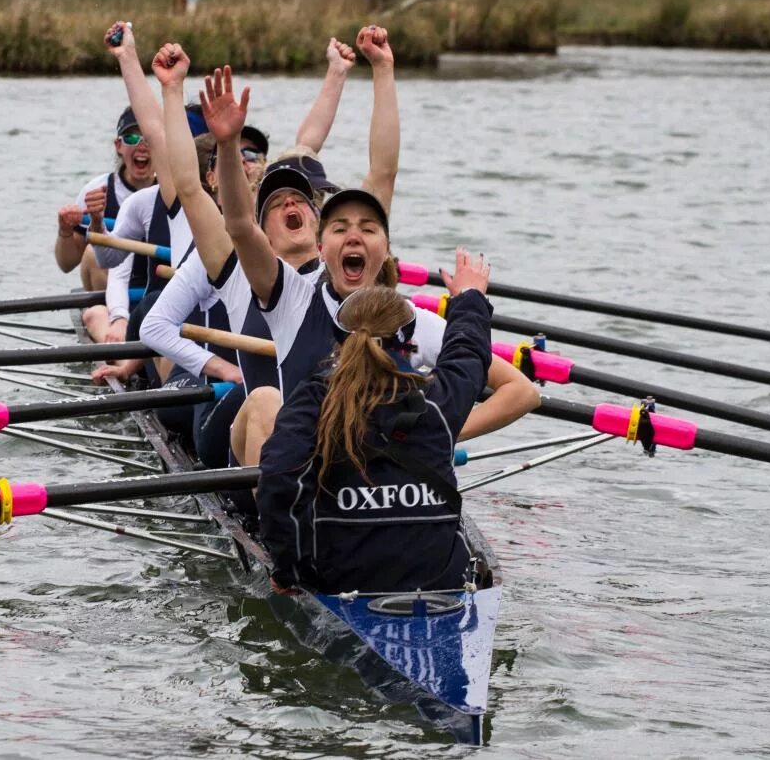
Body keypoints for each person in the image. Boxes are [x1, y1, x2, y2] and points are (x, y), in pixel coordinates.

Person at [205, 27, 541, 472]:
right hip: (304, 493)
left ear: (385, 249)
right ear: (322, 248)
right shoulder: (292, 297)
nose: (354, 236)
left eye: (367, 227)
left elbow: (524, 392)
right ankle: (275, 533)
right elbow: (241, 226)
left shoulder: (416, 322)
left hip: (379, 496)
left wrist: (437, 429)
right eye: (340, 227)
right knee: (265, 401)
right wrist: (227, 145)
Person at [137, 38, 355, 466]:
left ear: (320, 219)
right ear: (259, 227)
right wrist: (172, 89)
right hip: (252, 433)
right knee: (264, 400)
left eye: (300, 201)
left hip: (329, 438)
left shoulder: (346, 272)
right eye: (275, 206)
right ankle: (273, 515)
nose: (290, 208)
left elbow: (381, 175)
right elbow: (189, 188)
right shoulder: (240, 271)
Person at [257, 249, 493, 594]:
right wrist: (469, 298)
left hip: (345, 584)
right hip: (442, 587)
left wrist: (291, 569)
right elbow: (468, 352)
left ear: (341, 339)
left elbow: (280, 477)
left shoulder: (315, 401)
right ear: (409, 342)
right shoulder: (442, 401)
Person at [54, 103, 157, 342]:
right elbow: (66, 263)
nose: (141, 145)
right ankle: (110, 327)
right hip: (108, 296)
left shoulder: (171, 191)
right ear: (118, 146)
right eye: (132, 137)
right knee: (93, 251)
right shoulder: (96, 192)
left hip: (155, 289)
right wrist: (65, 231)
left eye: (149, 138)